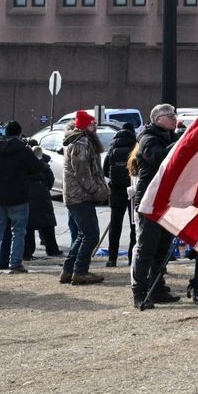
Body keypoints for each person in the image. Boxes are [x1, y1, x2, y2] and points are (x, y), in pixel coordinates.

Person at [129, 105, 183, 308]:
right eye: (169, 116)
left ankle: (157, 287)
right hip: (149, 200)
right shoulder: (148, 138)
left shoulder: (167, 136)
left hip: (165, 199)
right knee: (146, 249)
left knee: (162, 248)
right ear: (157, 119)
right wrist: (180, 142)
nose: (173, 119)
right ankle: (140, 292)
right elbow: (159, 157)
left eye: (174, 115)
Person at [0, 121, 43, 274]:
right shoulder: (23, 150)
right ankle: (15, 263)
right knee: (18, 231)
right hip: (19, 195)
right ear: (19, 133)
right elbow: (36, 168)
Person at [60, 111, 108, 285]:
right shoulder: (81, 142)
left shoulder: (80, 141)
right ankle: (80, 272)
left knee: (83, 234)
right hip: (80, 196)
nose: (95, 127)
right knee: (91, 235)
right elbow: (83, 174)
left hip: (77, 196)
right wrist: (97, 191)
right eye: (92, 124)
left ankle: (68, 270)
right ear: (85, 126)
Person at [102, 123, 138, 267]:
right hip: (132, 191)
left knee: (115, 226)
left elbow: (105, 170)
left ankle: (112, 258)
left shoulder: (112, 148)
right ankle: (131, 257)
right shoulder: (135, 146)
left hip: (116, 191)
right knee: (133, 226)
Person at [23, 139, 63, 260]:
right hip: (43, 197)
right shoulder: (43, 166)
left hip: (28, 198)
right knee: (48, 225)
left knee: (29, 227)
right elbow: (50, 181)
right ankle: (52, 249)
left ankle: (29, 251)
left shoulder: (24, 167)